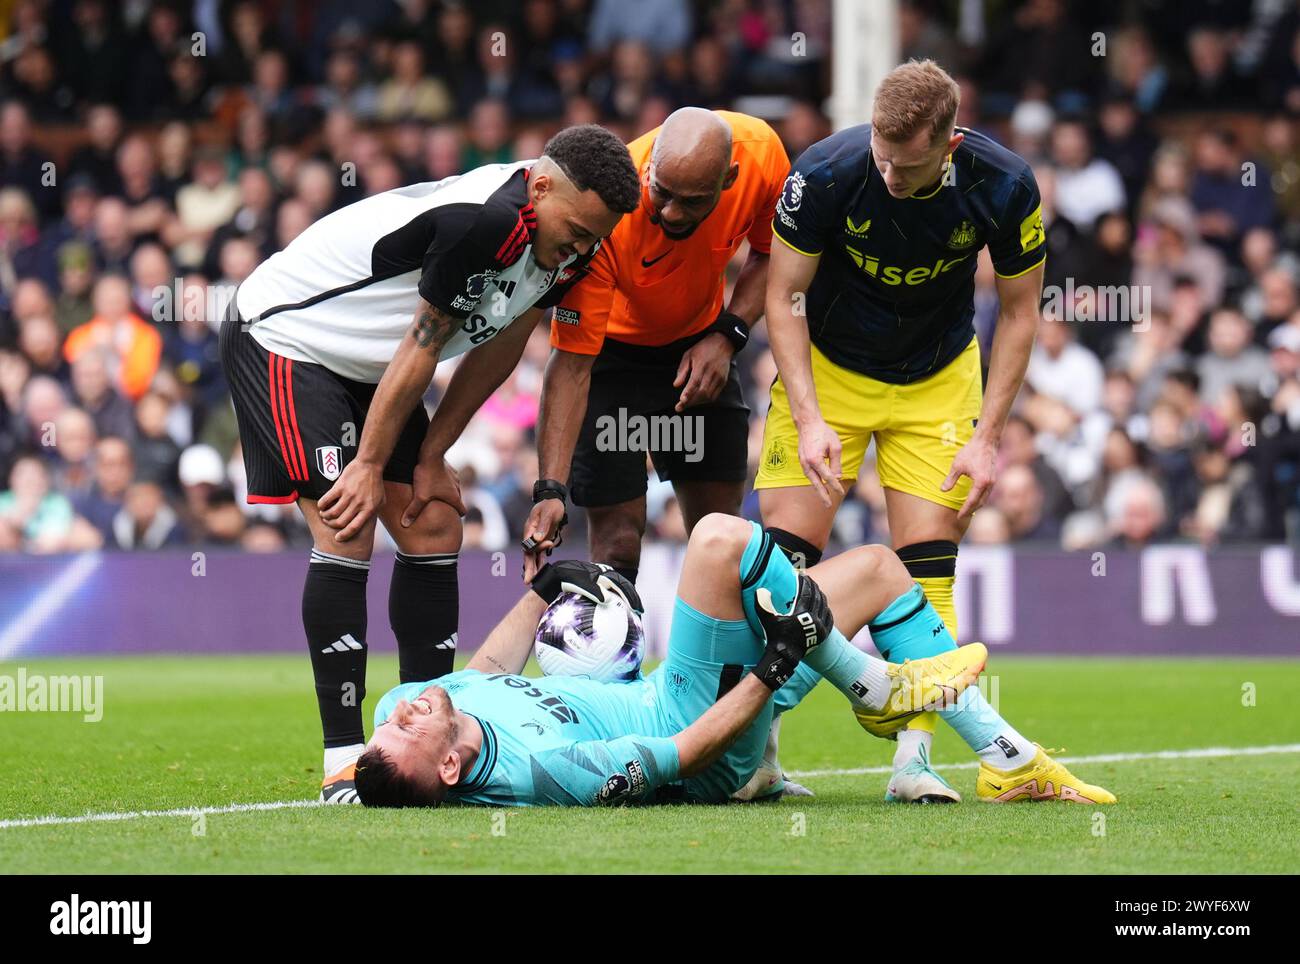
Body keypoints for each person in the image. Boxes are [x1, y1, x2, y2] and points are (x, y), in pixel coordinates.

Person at [219, 125, 640, 804]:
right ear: (540, 185)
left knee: (435, 524)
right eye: (579, 228)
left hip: (374, 365)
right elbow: (424, 340)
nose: (584, 247)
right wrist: (369, 464)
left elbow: (499, 346)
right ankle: (344, 761)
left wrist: (434, 455)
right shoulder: (488, 223)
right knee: (346, 523)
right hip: (288, 335)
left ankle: (425, 730)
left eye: (597, 236)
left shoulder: (567, 246)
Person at [758, 59, 1103, 803]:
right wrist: (811, 415)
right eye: (880, 155)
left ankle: (913, 767)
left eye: (906, 164)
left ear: (948, 146)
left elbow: (1017, 313)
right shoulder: (824, 172)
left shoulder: (1005, 184)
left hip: (938, 379)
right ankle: (760, 761)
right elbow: (782, 294)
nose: (887, 174)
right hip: (828, 372)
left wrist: (988, 436)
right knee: (782, 570)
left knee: (929, 577)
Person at [355, 513, 990, 807]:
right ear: (446, 766)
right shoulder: (548, 773)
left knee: (877, 568)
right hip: (695, 728)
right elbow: (685, 755)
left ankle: (1007, 759)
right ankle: (870, 687)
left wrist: (544, 590)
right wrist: (771, 671)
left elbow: (482, 676)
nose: (404, 706)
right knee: (718, 541)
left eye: (391, 719)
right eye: (407, 726)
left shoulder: (407, 706)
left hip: (674, 689)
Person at [524, 108, 788, 588]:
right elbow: (570, 366)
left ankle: (720, 663)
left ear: (728, 178)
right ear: (648, 169)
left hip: (703, 346)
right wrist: (551, 488)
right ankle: (614, 659)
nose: (670, 213)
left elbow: (774, 253)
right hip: (612, 359)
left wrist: (728, 336)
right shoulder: (609, 218)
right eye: (661, 192)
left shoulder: (763, 155)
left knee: (722, 534)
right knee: (618, 543)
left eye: (692, 202)